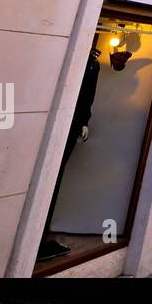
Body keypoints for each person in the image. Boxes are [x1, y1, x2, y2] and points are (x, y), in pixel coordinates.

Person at [36, 46, 100, 262]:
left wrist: (83, 121)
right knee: (46, 182)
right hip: (56, 122)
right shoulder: (76, 55)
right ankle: (37, 240)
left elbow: (86, 97)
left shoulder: (92, 62)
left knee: (52, 180)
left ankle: (40, 239)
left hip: (71, 125)